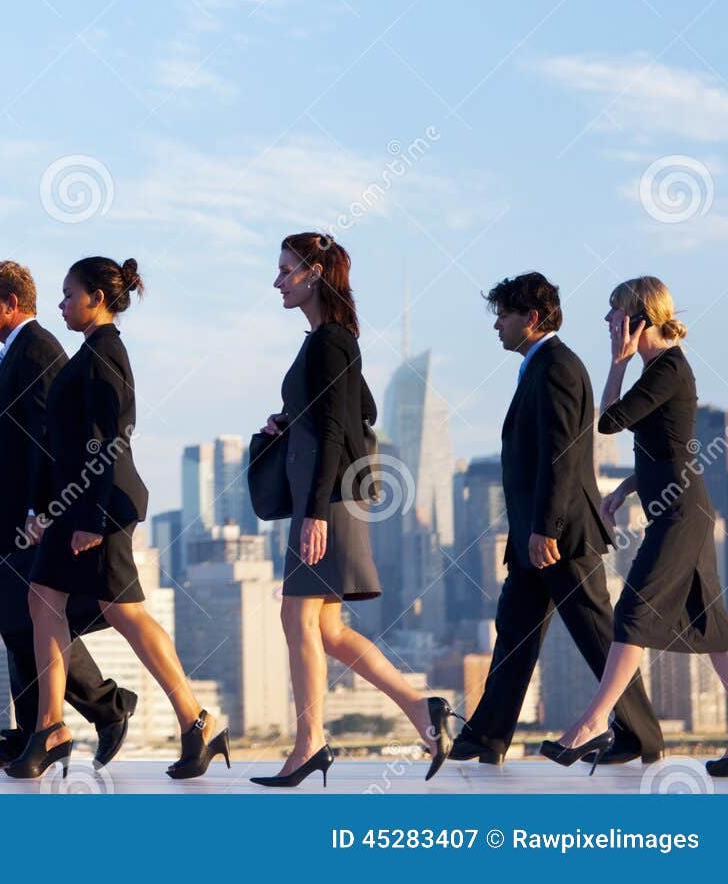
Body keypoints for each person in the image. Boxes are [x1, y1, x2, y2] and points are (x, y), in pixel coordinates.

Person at [9, 257, 228, 782]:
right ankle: (51, 727)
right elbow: (63, 443)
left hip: (98, 505)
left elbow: (114, 434)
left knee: (124, 612)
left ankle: (196, 720)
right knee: (43, 602)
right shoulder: (89, 352)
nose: (61, 304)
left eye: (68, 294)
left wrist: (95, 517)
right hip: (75, 505)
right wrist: (47, 508)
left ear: (96, 299)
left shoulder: (107, 352)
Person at [252, 233, 454, 788]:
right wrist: (290, 419)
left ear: (314, 273)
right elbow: (359, 407)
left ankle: (309, 742)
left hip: (328, 503)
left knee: (298, 617)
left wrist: (314, 512)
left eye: (285, 270)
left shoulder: (331, 342)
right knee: (326, 626)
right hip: (328, 499)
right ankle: (420, 709)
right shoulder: (329, 340)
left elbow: (342, 426)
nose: (277, 282)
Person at [450, 271, 662, 767]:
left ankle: (642, 735)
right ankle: (487, 735)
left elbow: (563, 452)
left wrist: (545, 527)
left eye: (503, 315)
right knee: (514, 632)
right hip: (534, 534)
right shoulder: (538, 366)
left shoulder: (557, 367)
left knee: (596, 633)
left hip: (559, 534)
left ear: (532, 318)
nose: (496, 325)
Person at [543, 277, 728, 773]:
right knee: (715, 634)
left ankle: (592, 722)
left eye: (614, 313)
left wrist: (618, 363)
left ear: (639, 318)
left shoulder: (666, 368)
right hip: (678, 510)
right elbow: (666, 446)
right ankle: (599, 722)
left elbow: (608, 421)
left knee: (633, 611)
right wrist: (626, 488)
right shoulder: (661, 369)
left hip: (680, 518)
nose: (606, 322)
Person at [0, 260, 136, 770]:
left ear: (11, 304)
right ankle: (28, 733)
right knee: (21, 622)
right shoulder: (17, 352)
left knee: (37, 620)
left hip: (32, 517)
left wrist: (44, 510)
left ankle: (105, 708)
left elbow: (53, 439)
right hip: (16, 517)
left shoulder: (39, 351)